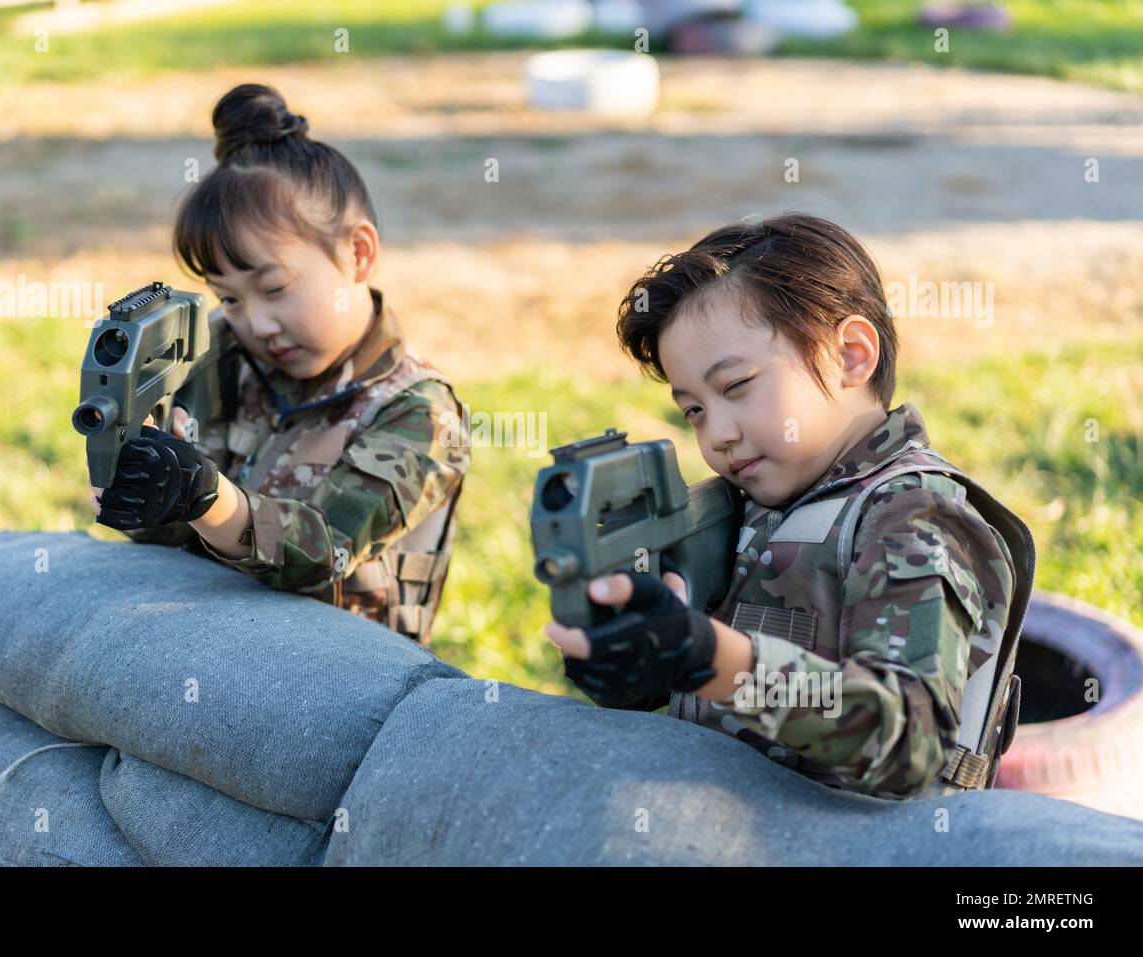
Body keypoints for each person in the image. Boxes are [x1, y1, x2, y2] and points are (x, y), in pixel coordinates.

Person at [544, 213, 1035, 798]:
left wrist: (710, 657)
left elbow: (910, 740)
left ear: (851, 355)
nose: (717, 434)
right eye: (692, 409)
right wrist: (625, 659)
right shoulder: (748, 508)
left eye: (736, 386)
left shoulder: (914, 515)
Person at [90, 83, 470, 647]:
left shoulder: (420, 413)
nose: (257, 322)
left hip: (340, 674)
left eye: (275, 288)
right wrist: (144, 487)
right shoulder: (221, 355)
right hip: (199, 641)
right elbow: (169, 539)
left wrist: (206, 497)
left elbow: (328, 548)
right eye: (231, 299)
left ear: (358, 253)